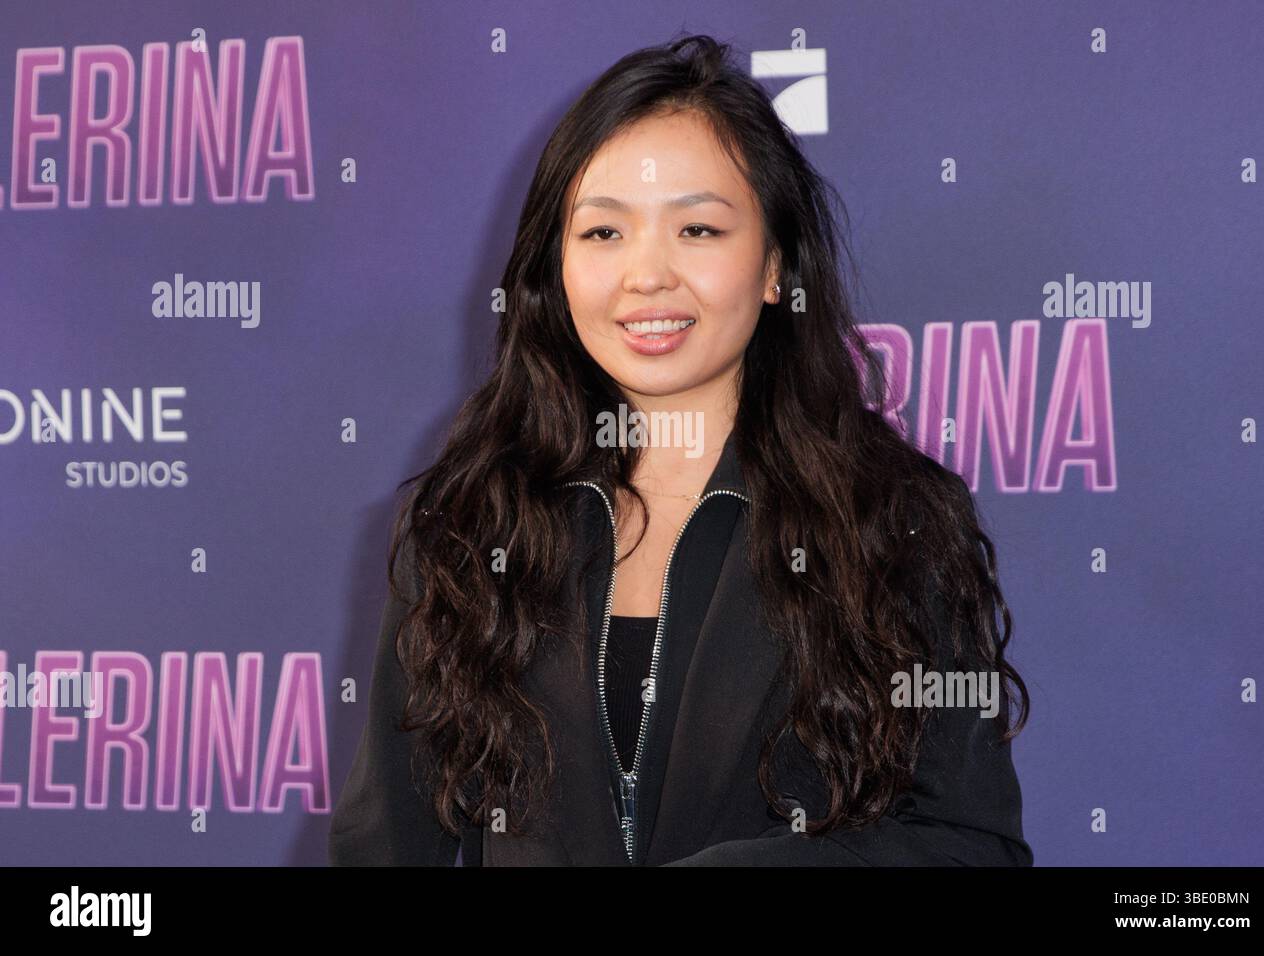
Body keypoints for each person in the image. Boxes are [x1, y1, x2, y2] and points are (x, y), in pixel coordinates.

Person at [328, 33, 1032, 866]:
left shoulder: (894, 521)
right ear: (554, 268)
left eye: (697, 229)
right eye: (602, 234)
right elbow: (386, 848)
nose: (647, 275)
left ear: (774, 263)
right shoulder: (464, 521)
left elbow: (968, 847)